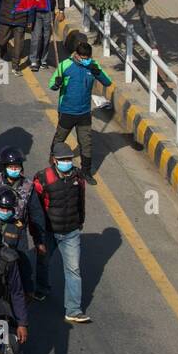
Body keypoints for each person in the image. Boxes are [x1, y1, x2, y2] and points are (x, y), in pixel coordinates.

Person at [31, 143, 89, 323]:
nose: (66, 162)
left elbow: (81, 200)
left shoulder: (78, 177)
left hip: (71, 231)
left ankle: (73, 309)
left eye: (69, 159)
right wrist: (37, 236)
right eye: (63, 159)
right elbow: (35, 209)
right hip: (48, 231)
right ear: (54, 160)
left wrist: (80, 221)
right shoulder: (42, 178)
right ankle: (41, 289)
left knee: (74, 270)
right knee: (43, 261)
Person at [49, 40, 111, 185]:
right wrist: (57, 83)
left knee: (86, 143)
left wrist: (97, 72)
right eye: (82, 57)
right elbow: (52, 85)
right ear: (76, 54)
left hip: (84, 113)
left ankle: (86, 172)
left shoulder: (93, 65)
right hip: (67, 111)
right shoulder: (65, 65)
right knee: (59, 140)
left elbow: (107, 82)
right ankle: (53, 165)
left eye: (87, 58)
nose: (84, 60)